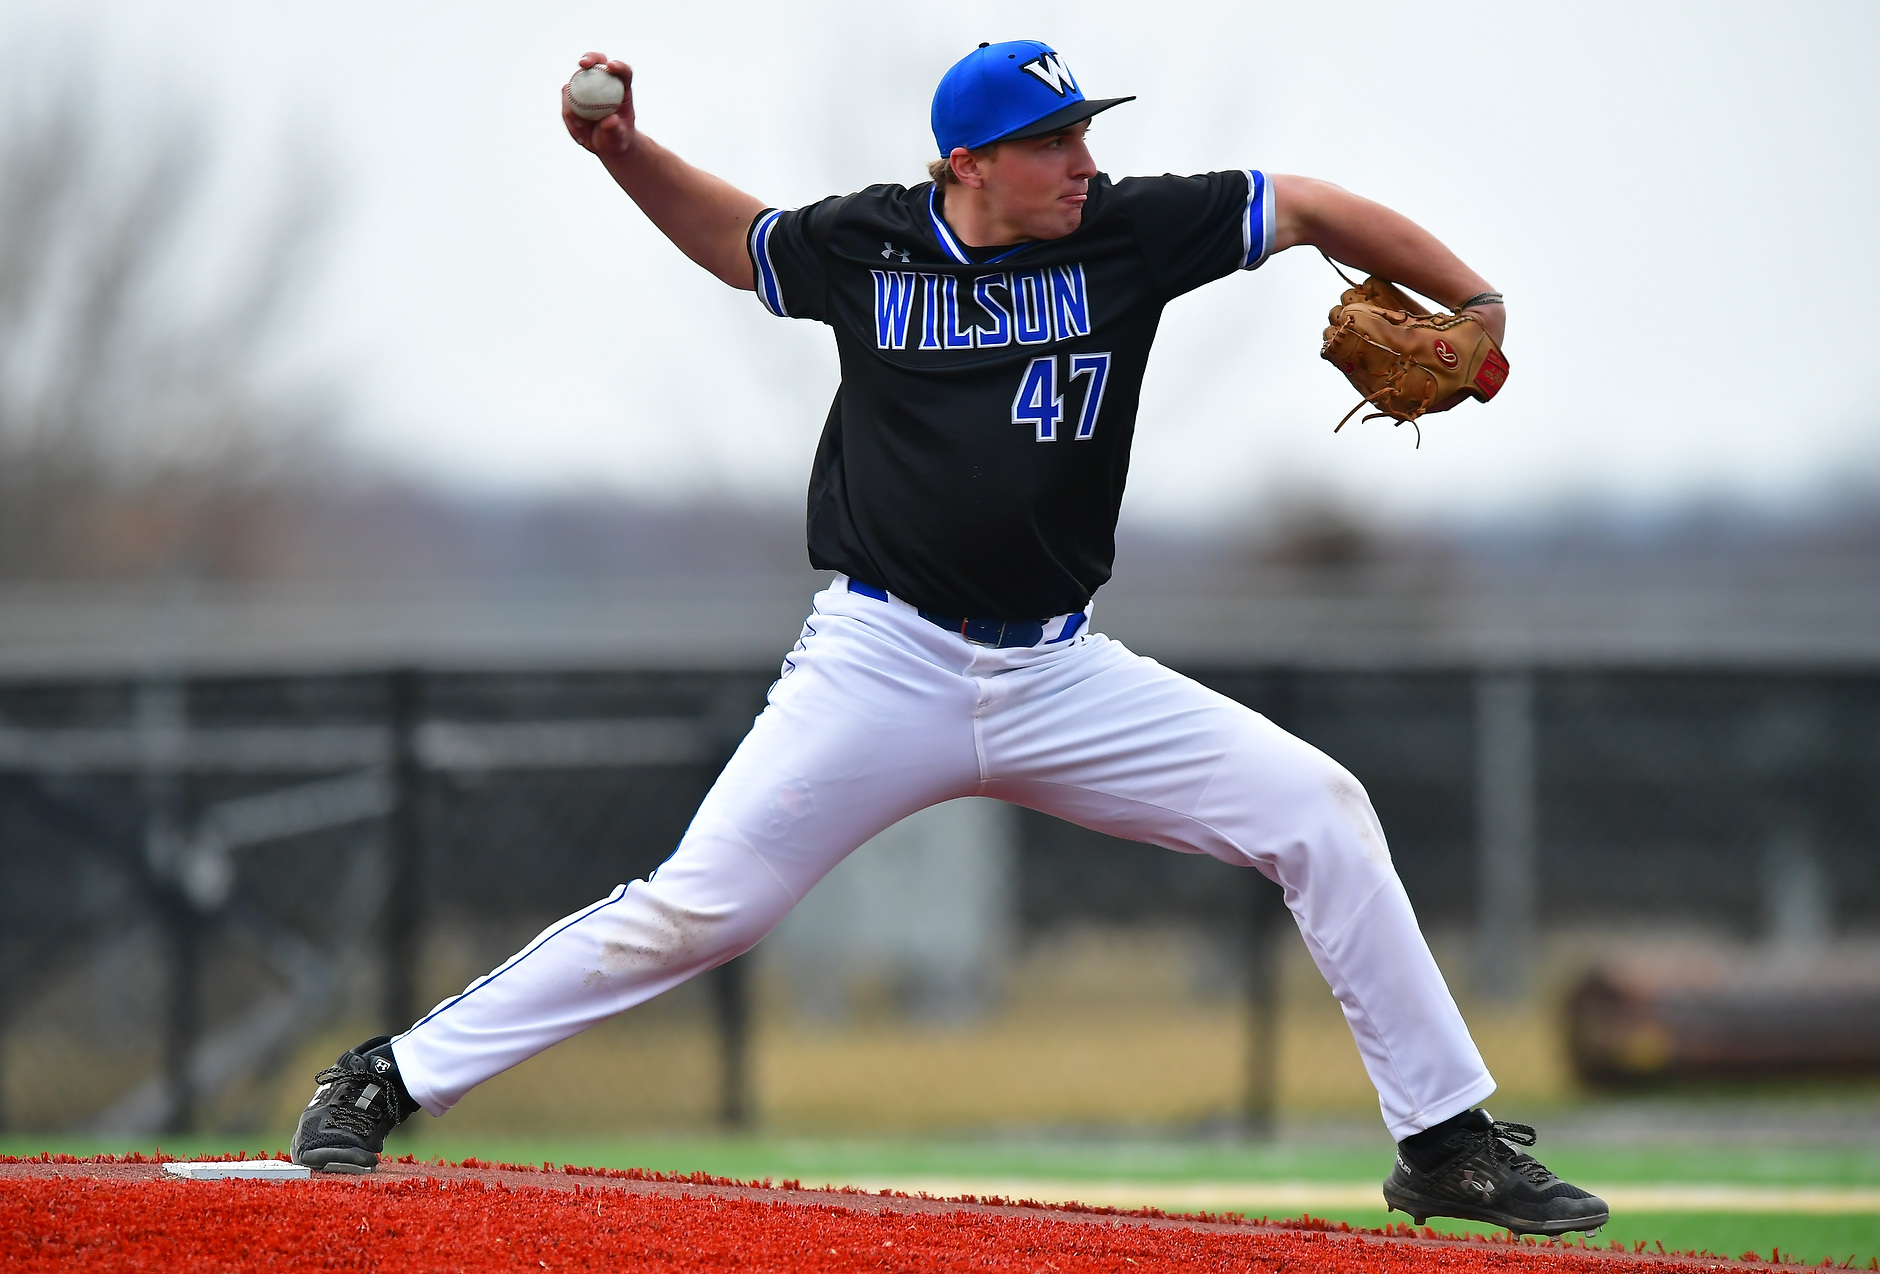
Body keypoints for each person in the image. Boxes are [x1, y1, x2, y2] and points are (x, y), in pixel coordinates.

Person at [292, 40, 1606, 1237]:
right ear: (969, 163)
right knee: (700, 909)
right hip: (883, 661)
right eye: (1054, 141)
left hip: (1061, 669)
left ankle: (1444, 1143)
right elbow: (739, 241)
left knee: (1320, 807)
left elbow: (1309, 204)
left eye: (1085, 132)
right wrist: (627, 152)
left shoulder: (1132, 232)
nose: (1084, 162)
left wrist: (1473, 295)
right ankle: (384, 1075)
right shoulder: (873, 245)